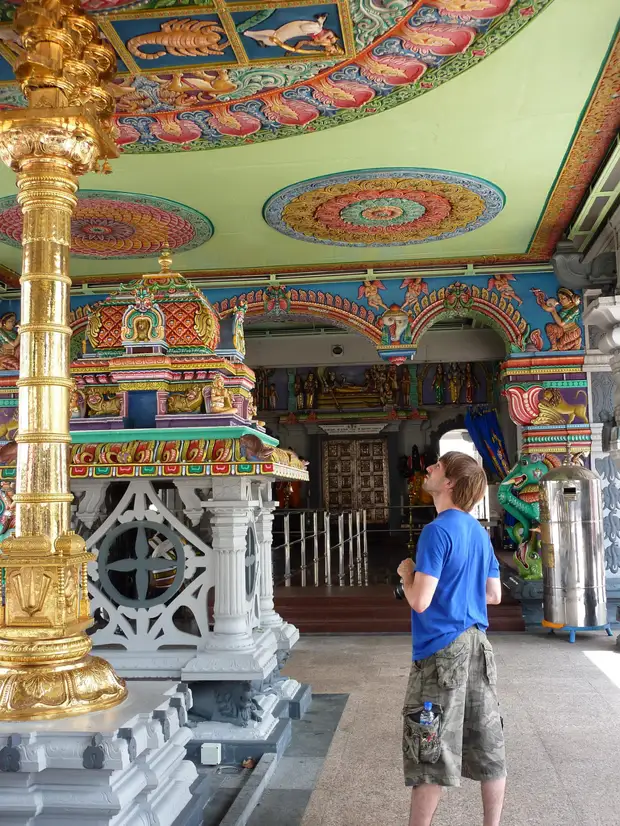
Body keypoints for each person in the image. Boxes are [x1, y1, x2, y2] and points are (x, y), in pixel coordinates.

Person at [397, 451, 505, 826]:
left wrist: (406, 574)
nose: (428, 469)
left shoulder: (437, 531)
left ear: (450, 482)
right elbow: (494, 595)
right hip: (479, 646)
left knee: (429, 749)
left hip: (442, 652)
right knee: (488, 744)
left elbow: (420, 601)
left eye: (437, 466)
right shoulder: (478, 532)